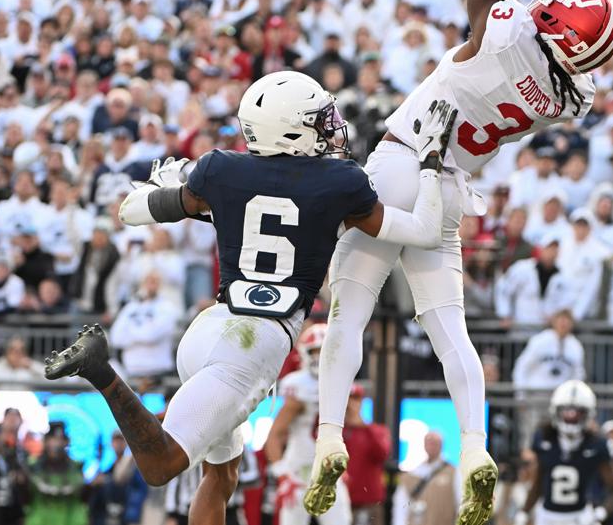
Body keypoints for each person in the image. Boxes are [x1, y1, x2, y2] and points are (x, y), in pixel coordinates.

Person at [310, 0, 613, 524]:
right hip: (451, 187)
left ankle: (327, 435)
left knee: (350, 309)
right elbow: (559, 22)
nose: (551, 3)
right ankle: (475, 446)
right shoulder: (571, 94)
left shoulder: (504, 29)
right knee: (450, 330)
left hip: (401, 162)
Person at [45, 71, 455, 525]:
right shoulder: (340, 182)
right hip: (255, 343)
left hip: (208, 329)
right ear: (291, 130)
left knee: (221, 475)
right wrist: (430, 161)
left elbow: (131, 211)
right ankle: (100, 369)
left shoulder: (220, 169)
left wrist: (184, 189)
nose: (330, 127)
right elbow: (425, 231)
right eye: (318, 120)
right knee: (163, 465)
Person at [264, 324, 351, 525]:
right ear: (304, 353)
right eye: (314, 351)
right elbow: (275, 434)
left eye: (324, 350)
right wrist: (282, 473)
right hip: (299, 468)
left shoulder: (342, 381)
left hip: (329, 467)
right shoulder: (298, 385)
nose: (319, 356)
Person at [515, 381, 613, 525]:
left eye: (578, 411)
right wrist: (524, 511)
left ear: (588, 413)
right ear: (556, 411)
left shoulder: (596, 444)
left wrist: (601, 513)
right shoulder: (545, 437)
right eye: (567, 410)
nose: (571, 415)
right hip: (547, 517)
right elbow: (537, 481)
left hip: (580, 517)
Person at [341, 385, 391, 525]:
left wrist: (362, 425)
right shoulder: (336, 433)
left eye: (355, 399)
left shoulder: (376, 431)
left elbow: (382, 454)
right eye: (348, 400)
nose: (351, 405)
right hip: (341, 500)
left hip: (369, 502)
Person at [511, 309, 587, 393]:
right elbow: (522, 366)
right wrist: (520, 393)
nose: (563, 324)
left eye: (567, 321)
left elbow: (578, 375)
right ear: (554, 322)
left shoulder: (575, 346)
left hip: (560, 395)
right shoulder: (540, 340)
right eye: (561, 320)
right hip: (537, 392)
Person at [392, 432, 460, 525]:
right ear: (424, 445)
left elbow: (460, 502)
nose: (431, 446)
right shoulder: (412, 474)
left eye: (435, 443)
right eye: (429, 443)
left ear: (441, 445)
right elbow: (400, 505)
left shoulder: (454, 472)